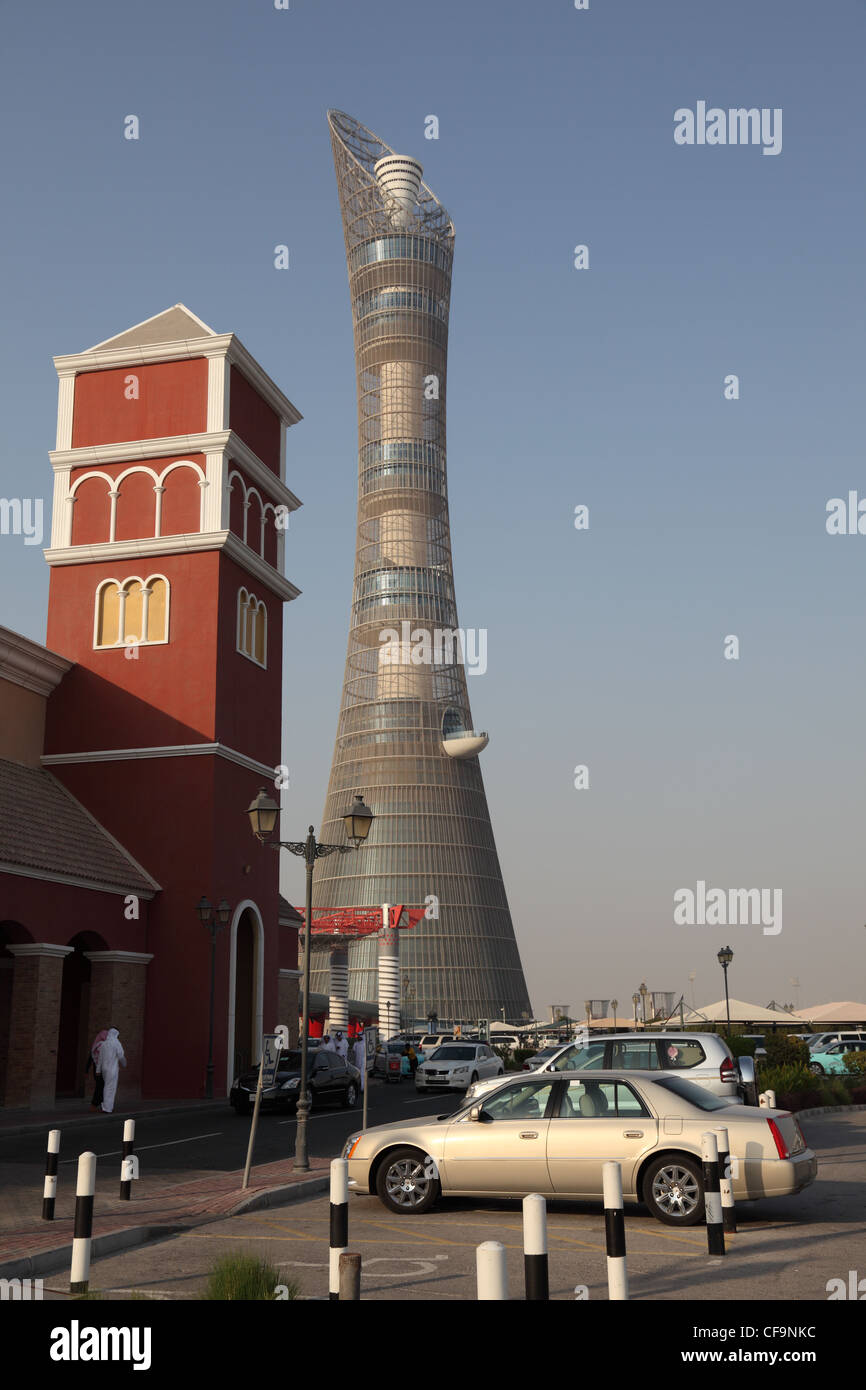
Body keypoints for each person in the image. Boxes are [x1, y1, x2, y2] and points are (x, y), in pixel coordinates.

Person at [96, 1027, 126, 1114]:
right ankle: (107, 1107)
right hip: (112, 1069)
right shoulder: (116, 1043)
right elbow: (121, 1056)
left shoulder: (104, 1044)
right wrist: (124, 1064)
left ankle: (106, 1106)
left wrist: (98, 1070)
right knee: (111, 1088)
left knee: (106, 1087)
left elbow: (100, 1059)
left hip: (104, 1069)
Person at [85, 1029, 108, 1112]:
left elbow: (90, 1058)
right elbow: (91, 1058)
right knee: (100, 1088)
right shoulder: (100, 1045)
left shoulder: (97, 1045)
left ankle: (99, 1105)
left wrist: (86, 1070)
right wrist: (86, 1071)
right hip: (100, 1071)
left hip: (100, 1071)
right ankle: (94, 1104)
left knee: (101, 1088)